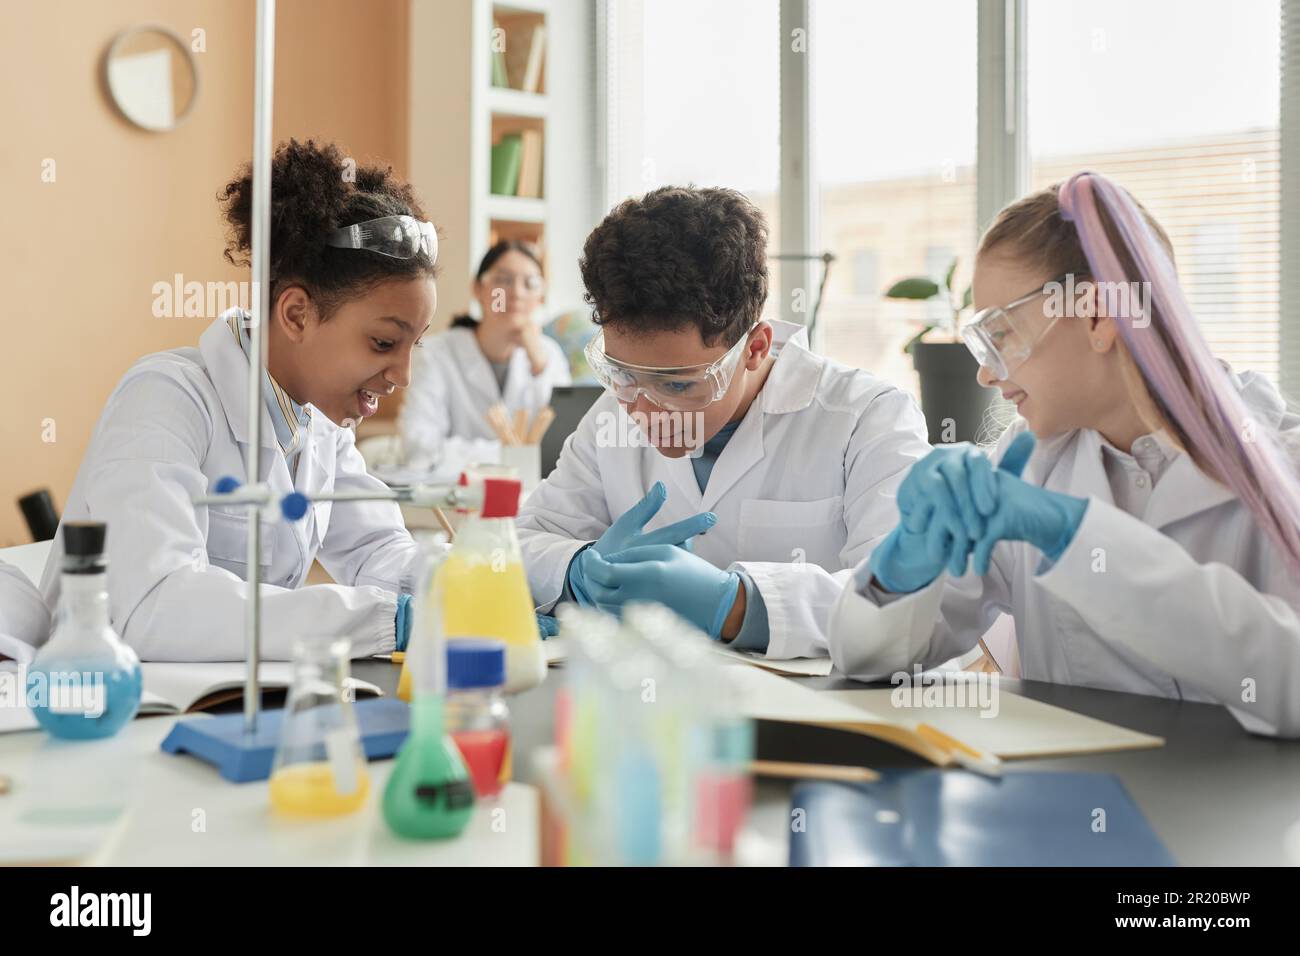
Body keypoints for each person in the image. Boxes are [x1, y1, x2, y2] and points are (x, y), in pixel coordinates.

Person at [829, 171, 1300, 737]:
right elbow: (868, 662)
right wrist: (901, 569)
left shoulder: (1280, 455)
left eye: (1000, 335)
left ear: (1099, 315)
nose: (984, 371)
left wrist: (1075, 534)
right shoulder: (1027, 467)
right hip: (1071, 804)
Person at [40, 139, 436, 661]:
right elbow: (156, 606)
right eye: (384, 343)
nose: (403, 375)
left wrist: (471, 580)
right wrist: (387, 621)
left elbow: (375, 549)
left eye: (416, 344)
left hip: (229, 707)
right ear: (296, 314)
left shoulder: (319, 424)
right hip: (107, 714)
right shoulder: (167, 399)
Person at [518, 185, 930, 659]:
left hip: (817, 722)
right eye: (622, 374)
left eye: (677, 385)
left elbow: (909, 606)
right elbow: (521, 545)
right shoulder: (612, 417)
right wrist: (576, 569)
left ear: (754, 348)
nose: (643, 411)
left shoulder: (868, 417)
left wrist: (738, 604)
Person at [399, 240, 570, 469]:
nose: (517, 293)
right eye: (504, 280)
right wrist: (512, 456)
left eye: (530, 283)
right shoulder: (436, 354)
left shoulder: (549, 355)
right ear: (478, 289)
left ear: (540, 297)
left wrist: (539, 366)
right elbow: (419, 448)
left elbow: (564, 448)